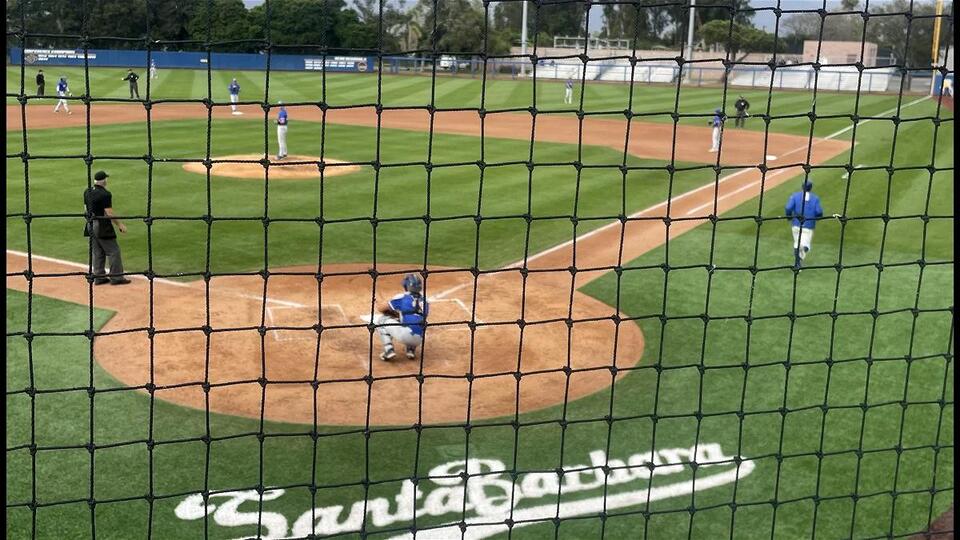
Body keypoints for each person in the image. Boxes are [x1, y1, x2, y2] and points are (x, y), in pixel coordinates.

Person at [83, 171, 131, 285]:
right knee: (113, 251)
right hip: (101, 225)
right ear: (104, 180)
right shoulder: (105, 194)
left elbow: (85, 209)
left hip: (90, 224)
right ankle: (116, 277)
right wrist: (120, 225)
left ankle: (99, 277)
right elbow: (109, 212)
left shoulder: (87, 191)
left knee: (97, 252)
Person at [375, 274, 429, 361]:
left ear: (406, 286)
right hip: (420, 338)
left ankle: (389, 350)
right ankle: (411, 350)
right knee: (414, 322)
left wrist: (379, 304)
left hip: (405, 335)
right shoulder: (425, 301)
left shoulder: (402, 297)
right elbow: (415, 315)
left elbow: (381, 309)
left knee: (382, 320)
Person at [784, 180, 833, 271]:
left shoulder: (795, 196)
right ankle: (798, 261)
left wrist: (789, 217)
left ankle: (797, 262)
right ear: (811, 188)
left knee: (797, 243)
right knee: (805, 245)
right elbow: (819, 211)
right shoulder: (815, 198)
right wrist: (818, 218)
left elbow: (788, 207)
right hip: (808, 225)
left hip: (796, 224)